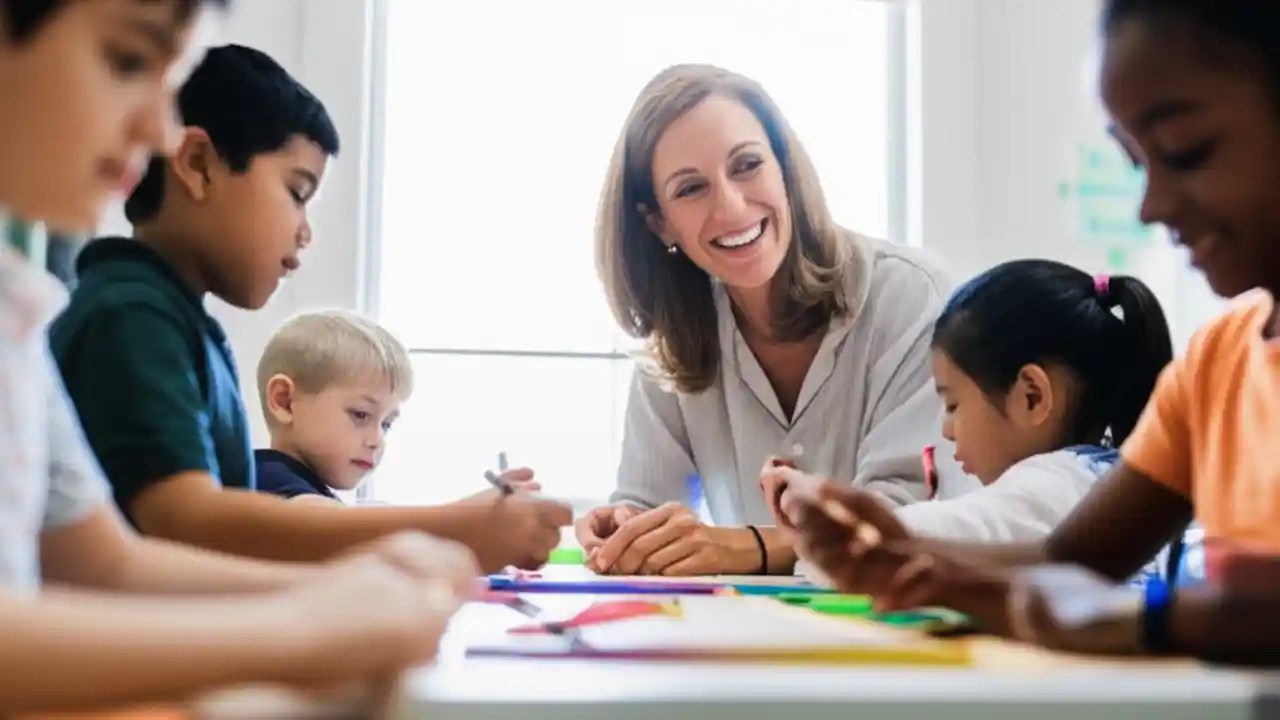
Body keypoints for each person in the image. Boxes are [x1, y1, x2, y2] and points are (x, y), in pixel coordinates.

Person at [0, 0, 475, 712]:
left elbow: (105, 563)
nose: (156, 130)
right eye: (128, 60)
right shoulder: (124, 308)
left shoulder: (19, 313)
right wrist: (309, 625)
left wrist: (351, 593)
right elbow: (171, 527)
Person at [785, 0, 1280, 663]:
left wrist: (1140, 623)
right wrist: (901, 553)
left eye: (1186, 152)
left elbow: (1098, 596)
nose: (1151, 204)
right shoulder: (1217, 363)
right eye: (1138, 164)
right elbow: (1068, 561)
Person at [49, 43, 570, 573]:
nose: (306, 231)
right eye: (297, 192)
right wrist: (456, 528)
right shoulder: (131, 315)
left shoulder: (172, 318)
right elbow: (189, 522)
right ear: (200, 165)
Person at [577, 63, 951, 577]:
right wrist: (629, 530)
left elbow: (915, 520)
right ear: (658, 221)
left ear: (784, 168)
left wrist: (752, 546)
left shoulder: (912, 296)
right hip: (756, 638)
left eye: (747, 165)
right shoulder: (677, 338)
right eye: (691, 189)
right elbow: (648, 499)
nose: (731, 207)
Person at [763, 261, 1172, 557]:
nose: (947, 430)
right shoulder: (1104, 478)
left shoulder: (1063, 483)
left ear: (1032, 396)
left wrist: (813, 511)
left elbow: (888, 548)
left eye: (953, 403)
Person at [254, 309, 542, 503]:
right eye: (361, 415)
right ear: (285, 401)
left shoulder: (310, 488)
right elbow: (348, 534)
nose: (376, 440)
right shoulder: (267, 480)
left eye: (386, 424)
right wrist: (471, 519)